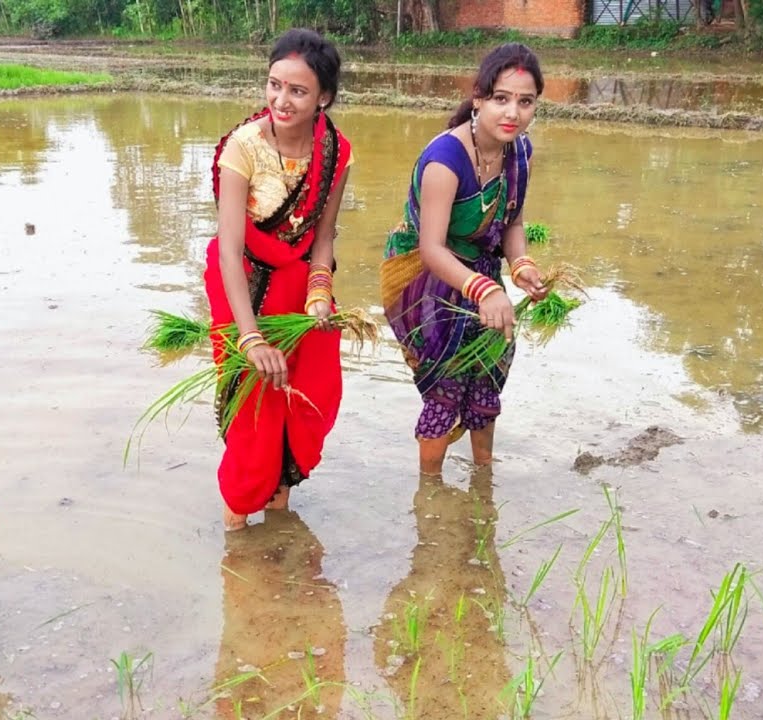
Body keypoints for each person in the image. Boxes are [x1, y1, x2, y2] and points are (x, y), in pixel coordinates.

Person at [207, 28, 353, 531]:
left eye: (297, 91)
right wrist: (248, 337)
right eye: (274, 85)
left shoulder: (335, 151)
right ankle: (236, 536)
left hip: (298, 287)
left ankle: (277, 524)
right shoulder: (242, 148)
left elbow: (325, 237)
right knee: (254, 411)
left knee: (301, 398)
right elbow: (228, 248)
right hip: (241, 283)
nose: (281, 101)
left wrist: (320, 293)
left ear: (324, 98)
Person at [380, 43, 548, 476]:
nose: (512, 112)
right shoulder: (446, 159)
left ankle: (483, 476)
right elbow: (432, 247)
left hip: (481, 269)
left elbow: (511, 222)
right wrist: (484, 288)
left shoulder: (520, 154)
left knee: (488, 373)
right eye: (501, 99)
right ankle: (430, 492)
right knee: (447, 384)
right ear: (478, 99)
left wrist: (522, 266)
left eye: (525, 102)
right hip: (426, 274)